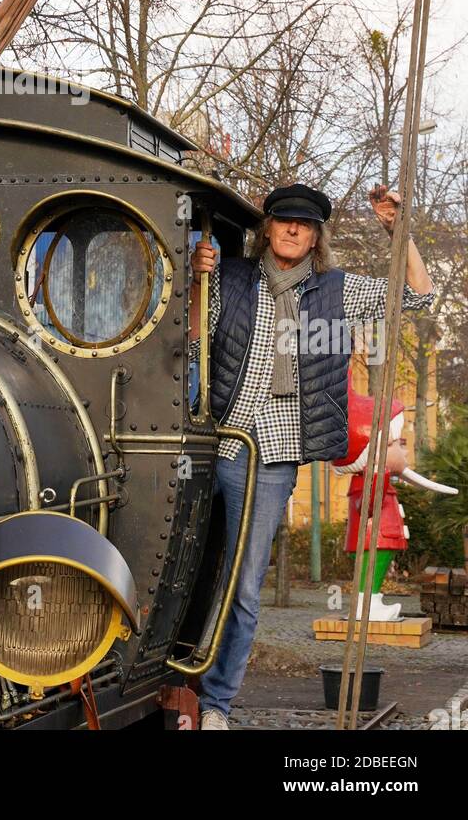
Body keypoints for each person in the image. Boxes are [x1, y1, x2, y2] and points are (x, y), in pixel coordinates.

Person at [189, 182, 433, 731]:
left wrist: (398, 228)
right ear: (267, 229)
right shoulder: (229, 277)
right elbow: (183, 328)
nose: (294, 229)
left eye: (304, 223)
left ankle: (216, 705)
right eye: (283, 220)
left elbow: (416, 296)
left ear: (316, 235)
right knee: (184, 570)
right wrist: (196, 271)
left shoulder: (334, 292)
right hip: (210, 441)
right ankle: (169, 686)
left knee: (244, 585)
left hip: (272, 456)